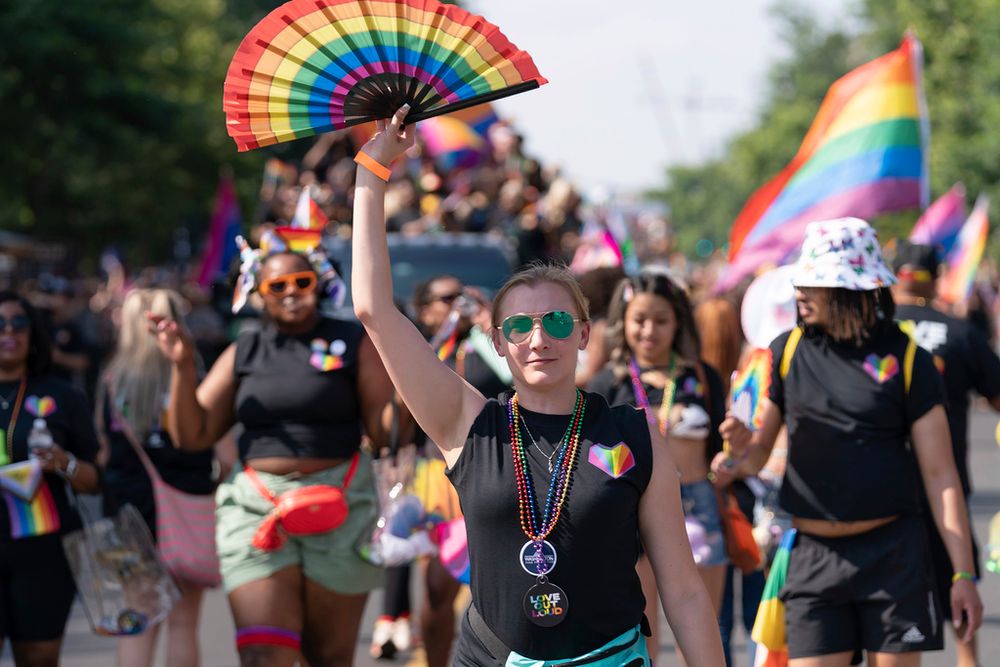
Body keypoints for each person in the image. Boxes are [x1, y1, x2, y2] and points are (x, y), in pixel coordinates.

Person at [351, 106, 725, 666]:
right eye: (519, 327)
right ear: (498, 343)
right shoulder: (469, 425)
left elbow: (685, 590)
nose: (537, 339)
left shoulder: (634, 433)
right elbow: (374, 309)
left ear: (581, 334)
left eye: (554, 323)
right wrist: (371, 172)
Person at [717, 219, 983, 666]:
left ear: (852, 289)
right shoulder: (788, 351)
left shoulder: (908, 357)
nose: (800, 290)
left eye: (814, 282)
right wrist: (740, 449)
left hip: (893, 558)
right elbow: (757, 455)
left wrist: (962, 572)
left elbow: (941, 476)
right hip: (813, 559)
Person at [149, 233, 394, 667]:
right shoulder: (245, 347)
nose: (291, 293)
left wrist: (408, 377)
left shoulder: (353, 340)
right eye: (276, 287)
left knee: (329, 656)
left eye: (301, 282)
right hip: (257, 508)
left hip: (339, 503)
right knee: (263, 654)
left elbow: (387, 433)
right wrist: (182, 365)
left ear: (318, 282)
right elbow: (192, 435)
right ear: (258, 294)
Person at [587, 270, 728, 659]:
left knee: (701, 626)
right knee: (641, 628)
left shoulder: (701, 377)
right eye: (639, 320)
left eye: (661, 320)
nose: (649, 331)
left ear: (678, 322)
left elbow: (721, 445)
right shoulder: (607, 384)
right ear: (623, 322)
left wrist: (732, 455)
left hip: (697, 505)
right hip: (629, 510)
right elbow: (589, 454)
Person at [97, 289, 222, 667]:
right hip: (188, 506)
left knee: (139, 619)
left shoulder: (113, 381)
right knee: (184, 624)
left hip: (128, 510)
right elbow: (225, 452)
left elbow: (103, 448)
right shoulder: (190, 375)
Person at [891, 241, 1000, 667]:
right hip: (946, 484)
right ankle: (968, 659)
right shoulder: (960, 332)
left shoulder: (871, 336)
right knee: (958, 577)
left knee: (889, 599)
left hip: (881, 491)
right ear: (937, 279)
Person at [0, 290, 101, 666]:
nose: (9, 331)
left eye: (19, 323)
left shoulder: (61, 396)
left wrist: (65, 464)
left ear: (33, 333)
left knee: (38, 658)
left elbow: (94, 479)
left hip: (44, 551)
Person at [695, 298, 766, 667]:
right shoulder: (753, 376)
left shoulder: (695, 381)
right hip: (749, 502)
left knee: (714, 611)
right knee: (757, 605)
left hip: (707, 504)